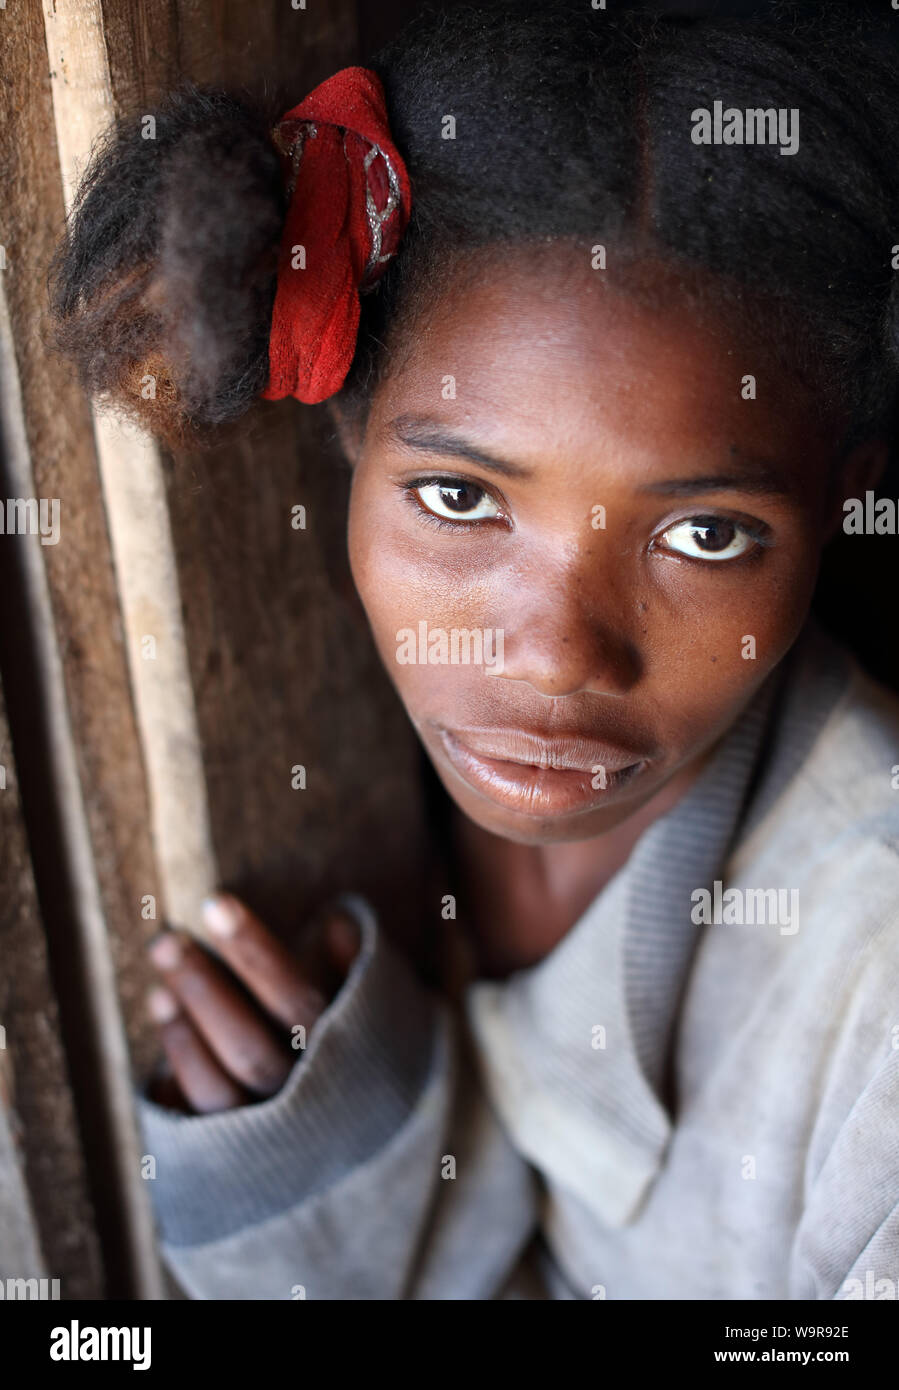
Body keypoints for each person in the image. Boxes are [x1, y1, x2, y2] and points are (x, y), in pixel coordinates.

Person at [47, 0, 899, 1299]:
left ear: (846, 499)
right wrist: (349, 1178)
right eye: (458, 498)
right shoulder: (347, 794)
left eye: (707, 533)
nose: (555, 658)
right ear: (349, 429)